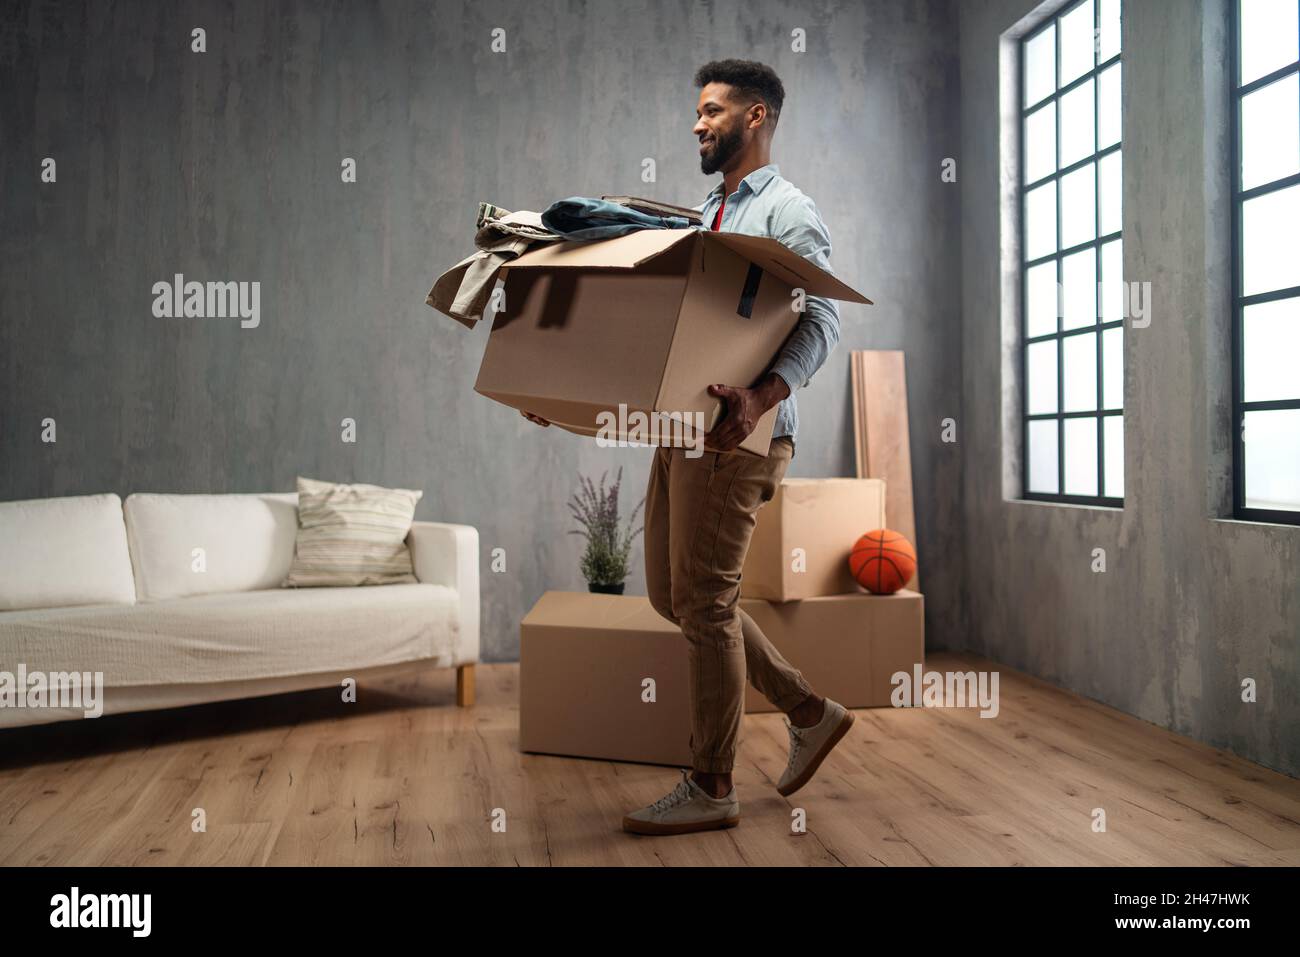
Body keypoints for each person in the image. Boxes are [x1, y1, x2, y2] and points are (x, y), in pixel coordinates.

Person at [523, 59, 854, 836]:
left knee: (704, 601)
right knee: (675, 598)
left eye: (712, 110)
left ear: (756, 116)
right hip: (684, 428)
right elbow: (675, 331)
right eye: (698, 111)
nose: (697, 123)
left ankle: (712, 781)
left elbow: (822, 319)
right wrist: (561, 388)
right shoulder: (709, 210)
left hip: (742, 432)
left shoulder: (788, 211)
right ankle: (810, 710)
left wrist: (760, 396)